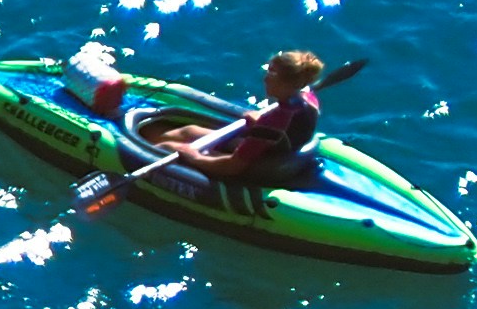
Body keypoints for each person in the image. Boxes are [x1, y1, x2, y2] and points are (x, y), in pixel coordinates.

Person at [102, 47, 362, 205]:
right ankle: (135, 133)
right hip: (277, 148)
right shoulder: (306, 97)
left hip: (261, 164)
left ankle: (129, 145)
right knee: (190, 132)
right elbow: (283, 124)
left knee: (173, 145)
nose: (264, 77)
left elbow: (233, 166)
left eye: (271, 74)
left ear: (286, 83)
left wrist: (191, 155)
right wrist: (259, 122)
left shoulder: (274, 123)